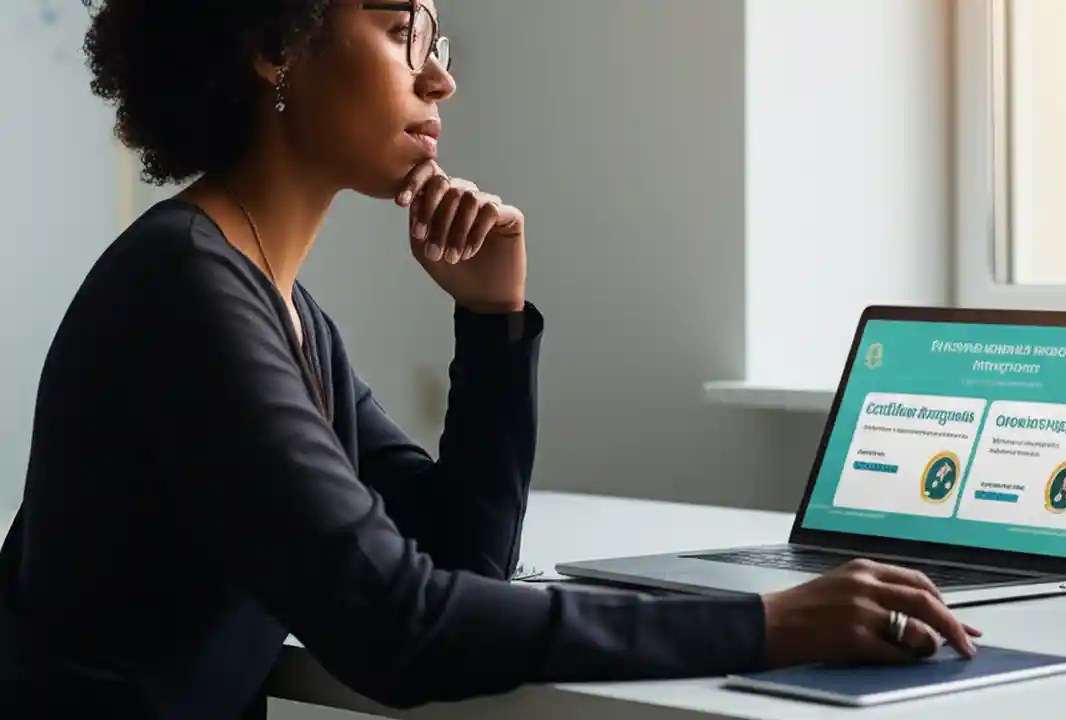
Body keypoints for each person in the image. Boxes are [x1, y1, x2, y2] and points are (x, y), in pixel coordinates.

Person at [0, 1, 980, 717]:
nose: (440, 76)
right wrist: (770, 627)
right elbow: (396, 628)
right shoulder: (186, 295)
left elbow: (462, 560)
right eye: (400, 30)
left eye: (436, 38)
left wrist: (491, 320)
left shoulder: (279, 313)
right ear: (272, 45)